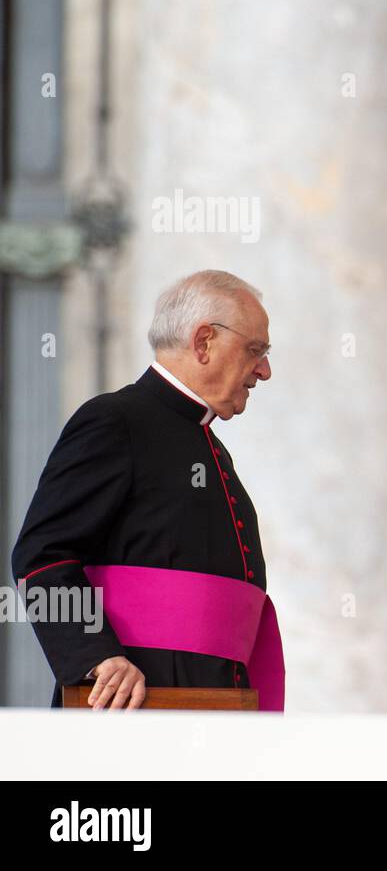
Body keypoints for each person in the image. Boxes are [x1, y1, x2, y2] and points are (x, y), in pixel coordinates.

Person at [10, 269, 283, 711]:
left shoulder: (211, 447)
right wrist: (97, 657)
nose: (264, 370)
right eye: (255, 350)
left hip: (214, 702)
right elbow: (40, 556)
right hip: (138, 703)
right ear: (203, 342)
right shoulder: (114, 421)